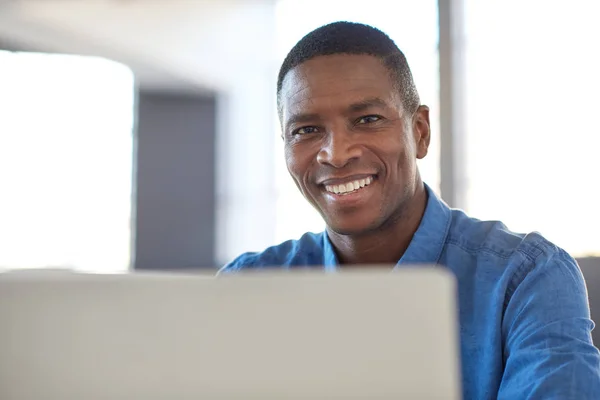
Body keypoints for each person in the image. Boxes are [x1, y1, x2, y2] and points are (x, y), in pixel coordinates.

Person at [220, 21, 600, 398]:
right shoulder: (246, 289)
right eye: (306, 130)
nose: (336, 154)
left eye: (367, 120)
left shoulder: (525, 278)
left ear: (420, 132)